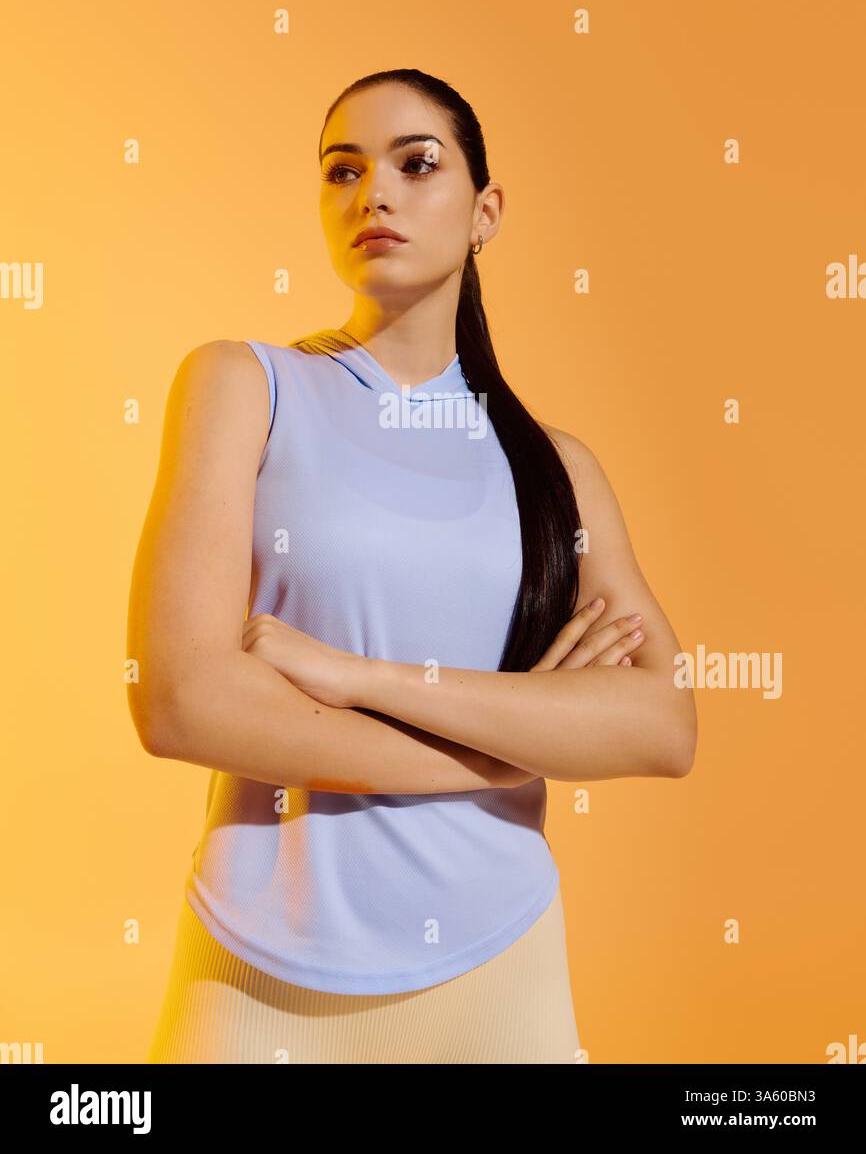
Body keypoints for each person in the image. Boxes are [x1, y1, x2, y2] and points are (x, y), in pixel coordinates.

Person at [127, 68, 696, 1064]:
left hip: (500, 971)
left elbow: (662, 724)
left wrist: (362, 678)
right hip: (256, 977)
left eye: (413, 163)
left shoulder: (553, 466)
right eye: (340, 170)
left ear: (485, 211)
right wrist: (512, 742)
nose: (371, 193)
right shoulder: (244, 386)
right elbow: (179, 701)